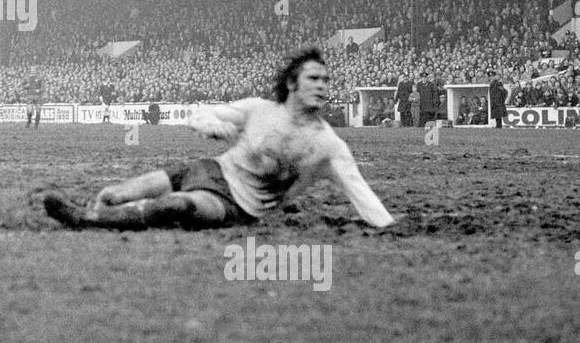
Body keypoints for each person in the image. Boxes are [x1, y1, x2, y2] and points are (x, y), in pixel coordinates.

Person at [43, 47, 393, 231]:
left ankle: (86, 221)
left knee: (175, 206)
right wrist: (211, 125)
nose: (322, 86)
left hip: (234, 205)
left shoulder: (329, 147)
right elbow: (200, 114)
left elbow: (364, 198)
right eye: (314, 78)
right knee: (114, 194)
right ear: (291, 84)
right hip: (206, 169)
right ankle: (92, 209)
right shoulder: (258, 109)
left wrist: (388, 225)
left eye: (326, 80)